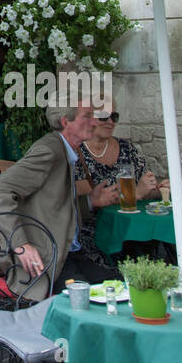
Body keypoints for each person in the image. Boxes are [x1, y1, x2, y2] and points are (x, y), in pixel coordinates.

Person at [0, 100, 119, 297]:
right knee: (94, 299)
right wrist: (21, 245)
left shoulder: (67, 150)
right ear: (66, 122)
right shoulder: (50, 149)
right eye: (87, 116)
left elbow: (53, 206)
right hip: (45, 262)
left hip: (69, 254)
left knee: (120, 285)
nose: (94, 122)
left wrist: (91, 201)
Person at [73, 105, 170, 268]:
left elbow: (147, 187)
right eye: (104, 116)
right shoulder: (76, 153)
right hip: (97, 238)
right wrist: (135, 193)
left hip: (134, 232)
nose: (110, 122)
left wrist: (160, 188)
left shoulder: (127, 148)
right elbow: (91, 202)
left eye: (114, 116)